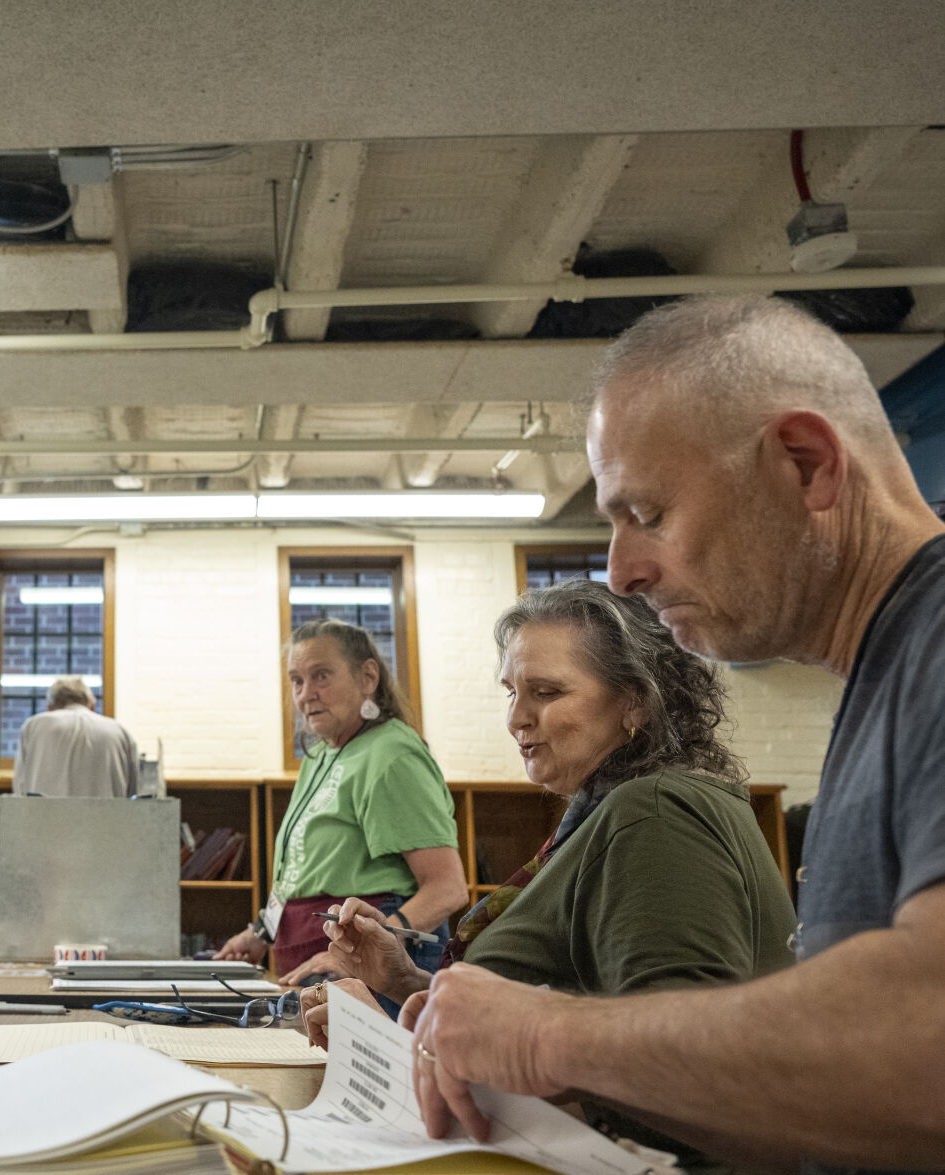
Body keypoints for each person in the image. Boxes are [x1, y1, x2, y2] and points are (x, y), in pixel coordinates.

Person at [403, 294, 945, 1175]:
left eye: (646, 513)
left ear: (805, 465)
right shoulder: (883, 675)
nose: (623, 568)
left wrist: (549, 1035)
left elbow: (928, 1049)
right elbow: (806, 1113)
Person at [303, 579, 794, 1166]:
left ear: (636, 700)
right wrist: (405, 983)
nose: (516, 718)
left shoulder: (655, 812)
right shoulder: (611, 812)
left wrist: (384, 1046)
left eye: (546, 691)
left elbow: (685, 1072)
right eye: (511, 691)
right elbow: (554, 1008)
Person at [215, 619, 466, 993]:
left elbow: (448, 887)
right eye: (297, 681)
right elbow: (297, 870)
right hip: (313, 960)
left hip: (371, 967)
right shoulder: (320, 756)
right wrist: (260, 932)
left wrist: (365, 948)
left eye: (321, 676)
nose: (305, 695)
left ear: (367, 678)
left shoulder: (393, 754)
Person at [11, 676, 141, 798]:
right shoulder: (118, 730)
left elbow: (20, 787)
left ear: (50, 707)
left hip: (45, 819)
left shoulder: (34, 726)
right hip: (107, 819)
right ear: (92, 707)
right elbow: (133, 791)